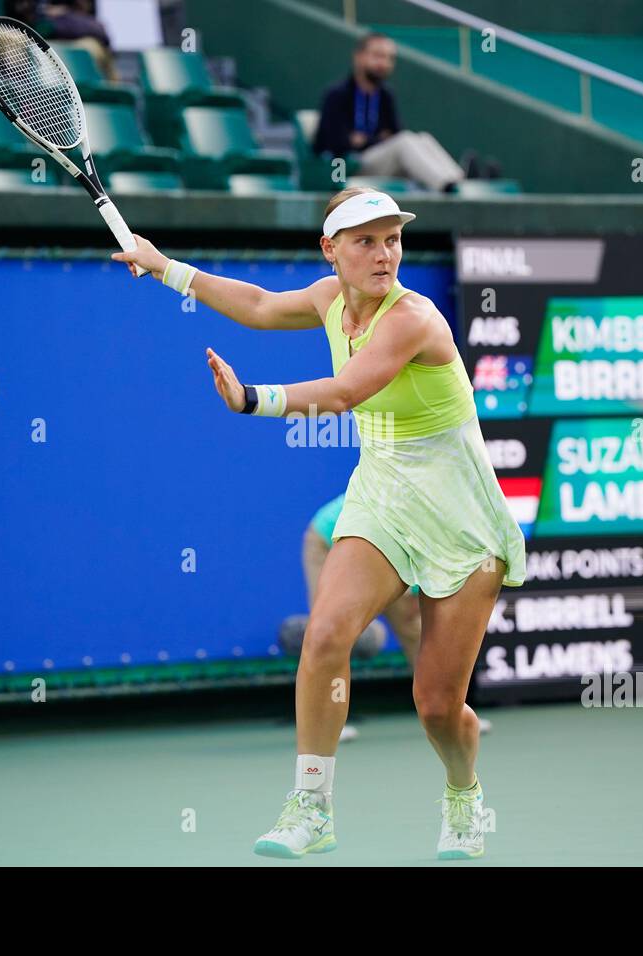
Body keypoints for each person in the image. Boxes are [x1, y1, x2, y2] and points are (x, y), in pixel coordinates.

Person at [111, 184, 526, 861]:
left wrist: (253, 398)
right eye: (366, 241)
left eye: (392, 239)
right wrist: (164, 268)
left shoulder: (413, 319)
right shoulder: (330, 298)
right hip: (382, 498)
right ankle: (312, 806)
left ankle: (463, 791)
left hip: (461, 518)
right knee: (326, 634)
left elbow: (344, 391)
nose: (385, 253)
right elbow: (259, 306)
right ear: (330, 250)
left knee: (435, 706)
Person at [290, 491, 493, 743]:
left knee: (417, 629)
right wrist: (414, 593)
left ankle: (450, 716)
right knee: (328, 635)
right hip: (328, 540)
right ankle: (324, 724)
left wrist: (415, 596)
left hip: (379, 544)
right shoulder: (414, 506)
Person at [313, 33, 499, 193]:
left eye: (389, 58)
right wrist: (377, 139)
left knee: (422, 138)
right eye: (378, 56)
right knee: (404, 142)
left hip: (383, 161)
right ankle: (446, 186)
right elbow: (337, 144)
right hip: (350, 166)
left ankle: (461, 180)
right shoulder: (337, 95)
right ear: (359, 57)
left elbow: (394, 133)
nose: (384, 63)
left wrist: (365, 140)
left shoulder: (385, 94)